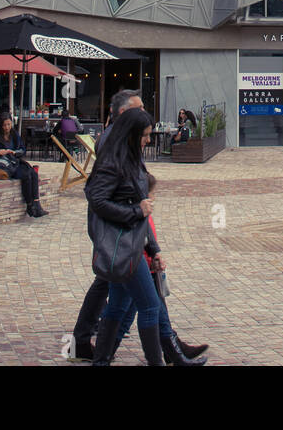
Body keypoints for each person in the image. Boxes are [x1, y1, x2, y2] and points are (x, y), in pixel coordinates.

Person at [85, 108, 168, 366]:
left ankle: (101, 361)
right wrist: (134, 210)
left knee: (118, 304)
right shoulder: (112, 163)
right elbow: (96, 200)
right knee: (150, 305)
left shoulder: (133, 159)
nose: (148, 140)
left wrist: (154, 249)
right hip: (123, 246)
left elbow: (143, 211)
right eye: (144, 135)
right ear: (131, 135)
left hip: (133, 242)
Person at [70, 88, 144, 361]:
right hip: (115, 222)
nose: (144, 114)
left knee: (110, 281)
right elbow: (99, 192)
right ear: (124, 113)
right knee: (117, 283)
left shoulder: (118, 136)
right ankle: (92, 341)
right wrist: (134, 209)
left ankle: (92, 338)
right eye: (139, 109)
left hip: (120, 221)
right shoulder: (115, 140)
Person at [108, 173, 207, 365]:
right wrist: (154, 254)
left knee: (132, 310)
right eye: (153, 194)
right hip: (138, 265)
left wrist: (156, 252)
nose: (155, 198)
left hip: (142, 264)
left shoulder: (139, 210)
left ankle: (173, 350)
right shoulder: (136, 211)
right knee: (144, 308)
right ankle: (168, 354)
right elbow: (141, 236)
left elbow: (148, 236)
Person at [0, 115, 47, 218]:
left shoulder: (14, 134)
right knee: (26, 175)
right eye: (4, 125)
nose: (7, 127)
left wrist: (15, 152)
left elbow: (22, 149)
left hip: (13, 161)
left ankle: (37, 204)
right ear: (1, 125)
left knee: (33, 173)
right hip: (2, 164)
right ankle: (29, 205)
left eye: (9, 124)